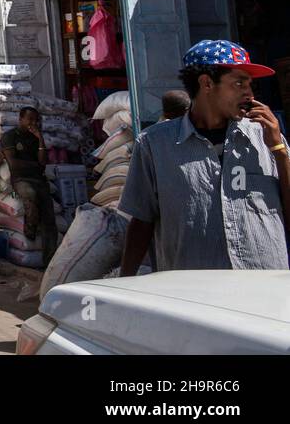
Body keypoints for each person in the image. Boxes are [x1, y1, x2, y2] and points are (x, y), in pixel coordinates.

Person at [120, 40, 290, 275]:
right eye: (239, 83)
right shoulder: (154, 144)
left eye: (250, 84)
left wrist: (279, 151)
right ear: (207, 83)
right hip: (193, 297)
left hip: (264, 290)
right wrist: (126, 282)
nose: (249, 93)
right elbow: (142, 221)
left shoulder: (264, 136)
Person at [0, 106, 58, 264]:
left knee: (49, 220)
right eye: (29, 119)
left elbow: (44, 162)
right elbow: (13, 164)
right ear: (20, 119)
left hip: (40, 179)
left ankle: (49, 261)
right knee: (30, 195)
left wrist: (40, 138)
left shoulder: (36, 137)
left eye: (35, 120)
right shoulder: (9, 137)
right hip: (20, 179)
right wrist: (35, 165)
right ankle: (29, 228)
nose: (33, 123)